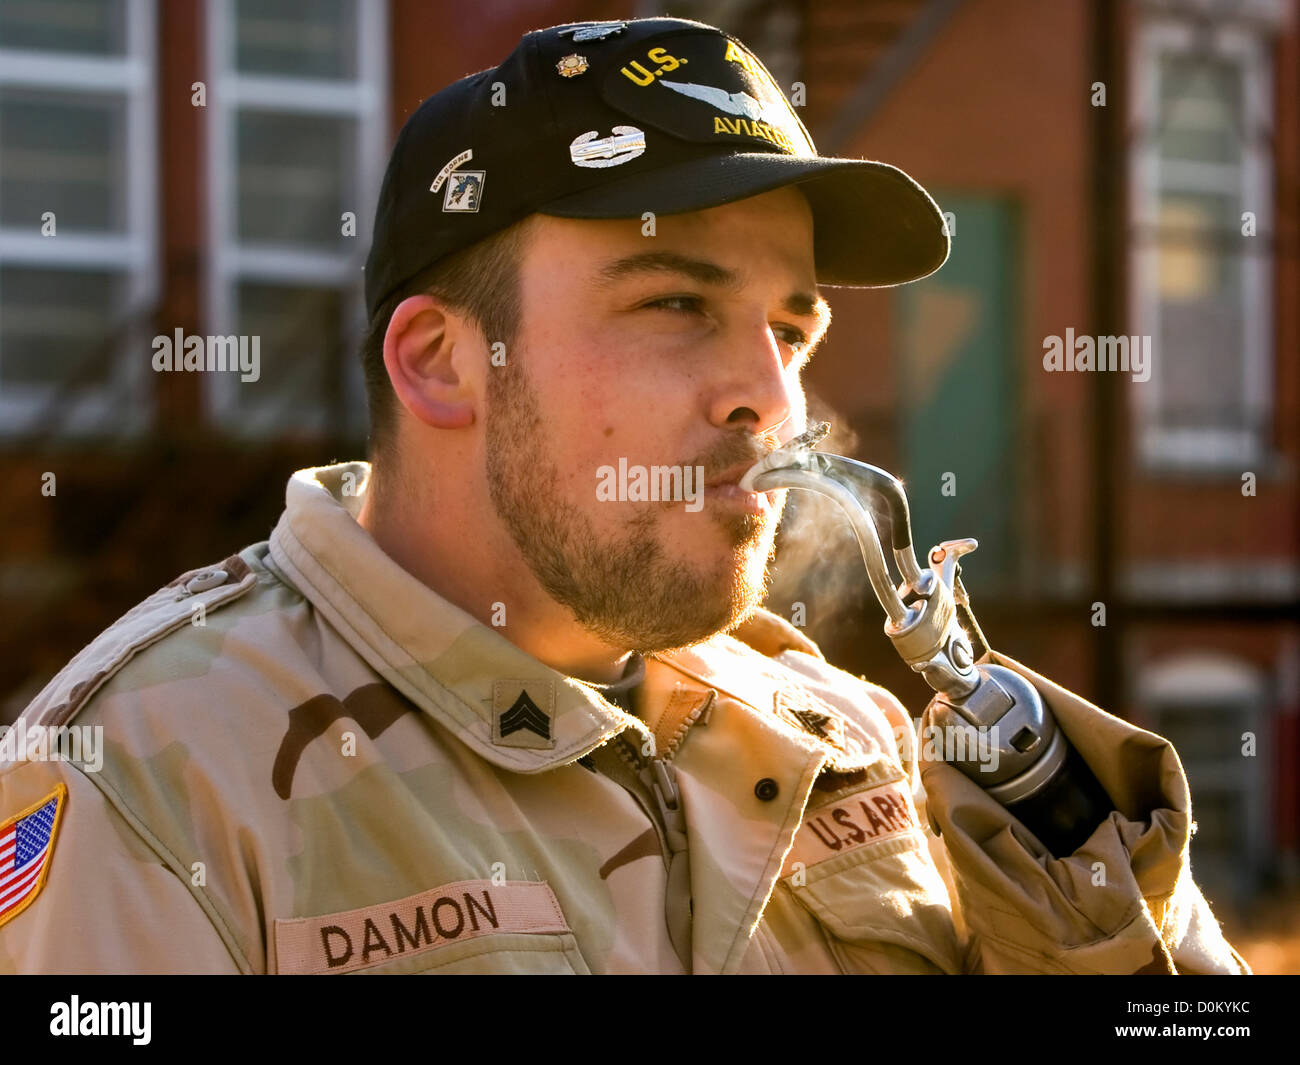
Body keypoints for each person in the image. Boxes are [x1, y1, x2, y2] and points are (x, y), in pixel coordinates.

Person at [0, 16, 1248, 975]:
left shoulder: (844, 740)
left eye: (791, 331)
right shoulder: (147, 781)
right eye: (677, 303)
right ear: (441, 362)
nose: (772, 399)